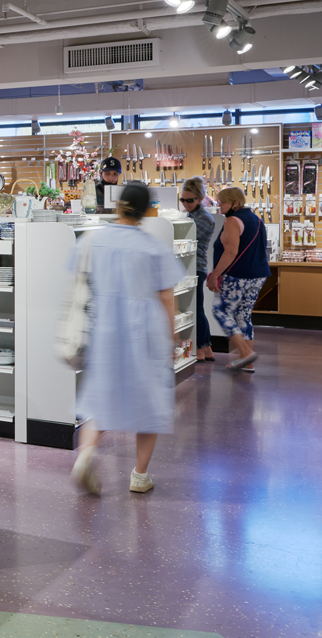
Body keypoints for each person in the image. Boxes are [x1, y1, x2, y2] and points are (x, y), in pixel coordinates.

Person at [71, 181, 183, 496]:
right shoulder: (153, 246)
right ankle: (140, 474)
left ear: (118, 205)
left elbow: (78, 279)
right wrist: (171, 338)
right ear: (148, 210)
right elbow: (166, 298)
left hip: (105, 326)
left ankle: (86, 454)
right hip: (145, 329)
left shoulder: (93, 240)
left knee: (102, 395)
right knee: (149, 399)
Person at [208, 185, 268, 371]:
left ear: (235, 202)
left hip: (237, 276)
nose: (220, 207)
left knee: (221, 311)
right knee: (243, 315)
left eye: (222, 203)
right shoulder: (257, 220)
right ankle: (247, 361)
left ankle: (245, 352)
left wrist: (215, 274)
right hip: (258, 275)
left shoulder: (232, 220)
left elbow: (231, 252)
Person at [180, 177, 216, 362]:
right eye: (183, 200)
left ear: (201, 198)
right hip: (191, 267)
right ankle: (207, 348)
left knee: (196, 309)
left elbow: (189, 240)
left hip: (197, 268)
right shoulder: (191, 215)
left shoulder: (204, 219)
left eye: (189, 200)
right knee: (197, 307)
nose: (185, 204)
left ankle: (201, 349)